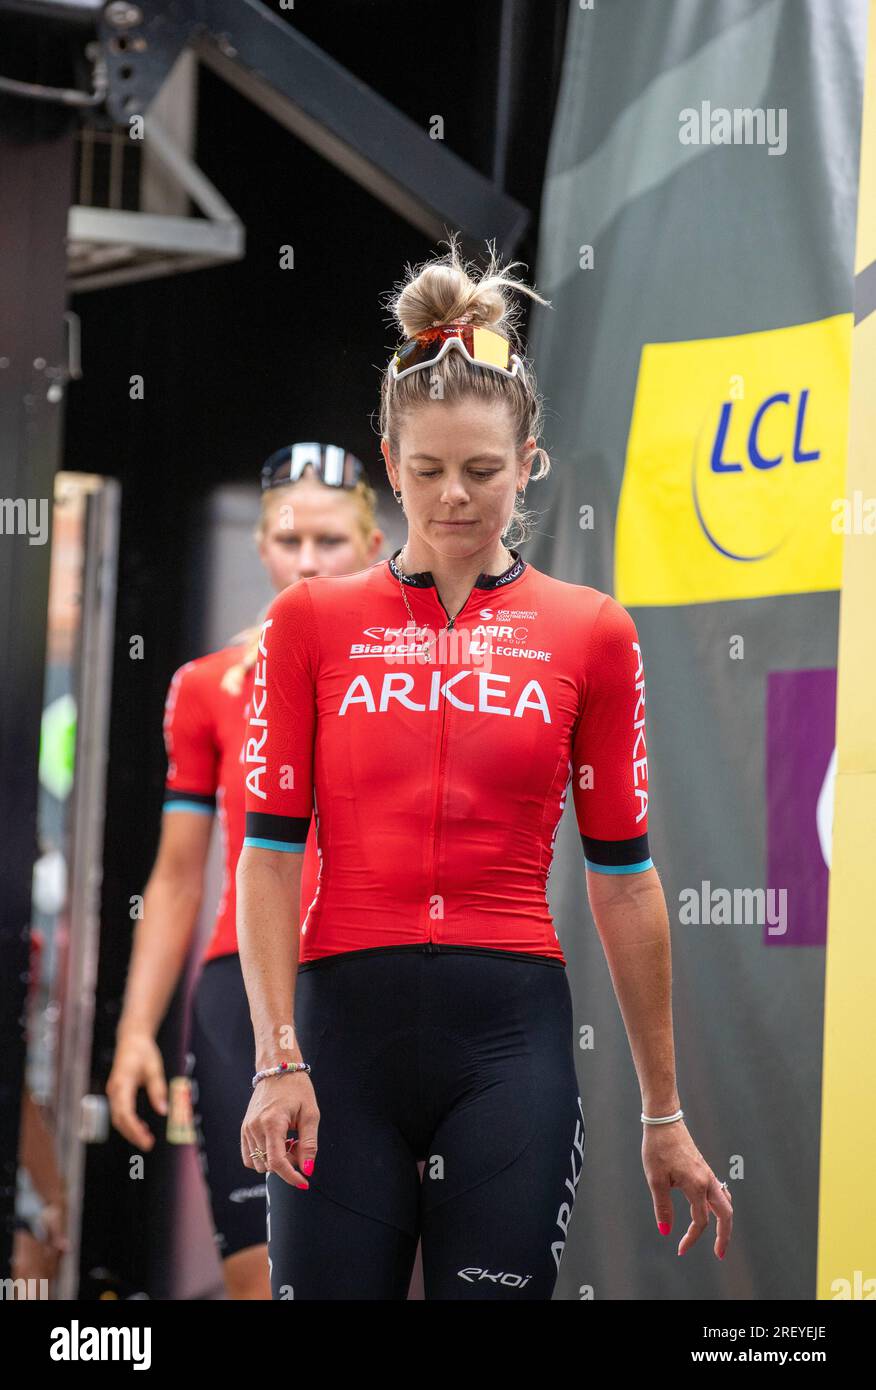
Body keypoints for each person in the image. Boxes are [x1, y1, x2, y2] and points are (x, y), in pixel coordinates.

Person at [236, 237, 734, 1301]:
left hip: (508, 1041)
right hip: (338, 1036)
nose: (453, 497)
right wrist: (278, 1056)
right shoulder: (310, 622)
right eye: (425, 471)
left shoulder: (589, 630)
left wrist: (665, 1108)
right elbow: (269, 856)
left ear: (531, 460)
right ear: (386, 455)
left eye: (482, 470)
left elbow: (626, 877)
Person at [107, 446, 383, 1299]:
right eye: (289, 540)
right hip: (242, 993)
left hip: (374, 982)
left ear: (375, 544)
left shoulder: (410, 674)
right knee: (262, 1277)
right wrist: (132, 1032)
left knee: (370, 1267)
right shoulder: (207, 686)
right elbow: (179, 876)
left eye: (331, 541)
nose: (307, 560)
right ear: (261, 545)